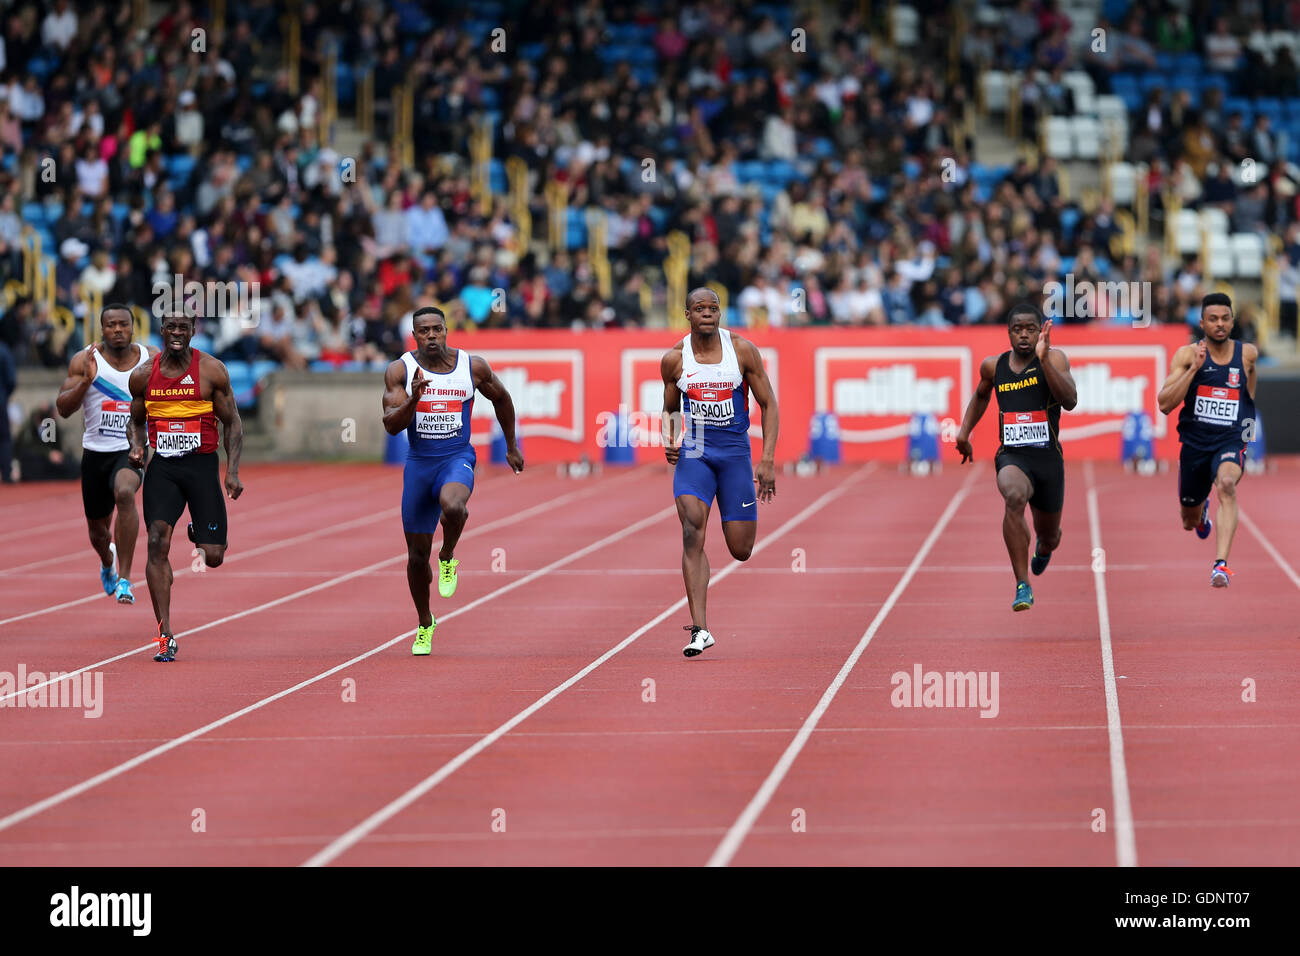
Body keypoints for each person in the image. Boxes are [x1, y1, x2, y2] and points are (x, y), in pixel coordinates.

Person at [382, 306, 523, 656]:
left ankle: (447, 554)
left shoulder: (471, 367)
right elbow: (391, 424)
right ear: (414, 336)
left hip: (456, 457)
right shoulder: (400, 370)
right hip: (418, 465)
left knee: (454, 505)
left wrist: (511, 445)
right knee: (416, 558)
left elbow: (502, 399)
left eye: (437, 330)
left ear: (447, 331)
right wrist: (414, 399)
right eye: (423, 331)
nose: (431, 336)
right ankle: (425, 623)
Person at [660, 287, 779, 657]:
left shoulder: (742, 351)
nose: (707, 314)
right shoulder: (675, 360)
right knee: (691, 527)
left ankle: (703, 622)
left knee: (740, 549)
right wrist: (670, 437)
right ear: (688, 315)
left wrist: (768, 459)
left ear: (720, 313)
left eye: (713, 308)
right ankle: (700, 629)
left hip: (734, 453)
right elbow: (669, 407)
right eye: (700, 309)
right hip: (695, 451)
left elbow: (768, 404)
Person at [127, 312, 244, 662]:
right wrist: (136, 446)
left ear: (193, 331)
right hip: (162, 466)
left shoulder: (211, 371)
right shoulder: (144, 376)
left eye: (184, 327)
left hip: (201, 466)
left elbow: (233, 422)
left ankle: (199, 531)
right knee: (156, 542)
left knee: (214, 556)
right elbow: (135, 421)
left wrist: (232, 472)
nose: (177, 333)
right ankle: (164, 633)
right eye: (171, 327)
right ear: (162, 331)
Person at [956, 303, 1077, 611]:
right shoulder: (993, 367)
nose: (1024, 335)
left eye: (1030, 329)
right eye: (1017, 329)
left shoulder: (1056, 358)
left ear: (1041, 332)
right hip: (1012, 456)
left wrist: (1045, 360)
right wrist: (963, 433)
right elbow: (982, 395)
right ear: (1008, 333)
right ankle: (1022, 584)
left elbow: (1070, 400)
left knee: (1049, 535)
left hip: (1048, 461)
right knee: (1013, 496)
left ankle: (1044, 546)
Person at [1156, 292, 1257, 587]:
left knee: (1226, 485)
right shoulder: (1187, 355)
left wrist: (1245, 438)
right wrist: (1193, 370)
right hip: (1195, 446)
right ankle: (1201, 514)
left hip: (1229, 442)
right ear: (1202, 323)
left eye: (1225, 318)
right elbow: (1164, 403)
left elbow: (1249, 400)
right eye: (1213, 319)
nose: (1220, 324)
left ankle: (1220, 565)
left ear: (1232, 321)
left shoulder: (1247, 354)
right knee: (1188, 521)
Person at [55, 305, 153, 603]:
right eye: (111, 325)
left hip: (131, 447)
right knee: (98, 533)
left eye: (123, 324)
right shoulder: (84, 360)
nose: (118, 330)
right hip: (95, 453)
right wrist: (86, 381)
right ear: (102, 329)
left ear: (133, 327)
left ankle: (124, 579)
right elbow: (63, 409)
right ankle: (108, 562)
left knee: (125, 492)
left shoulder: (150, 359)